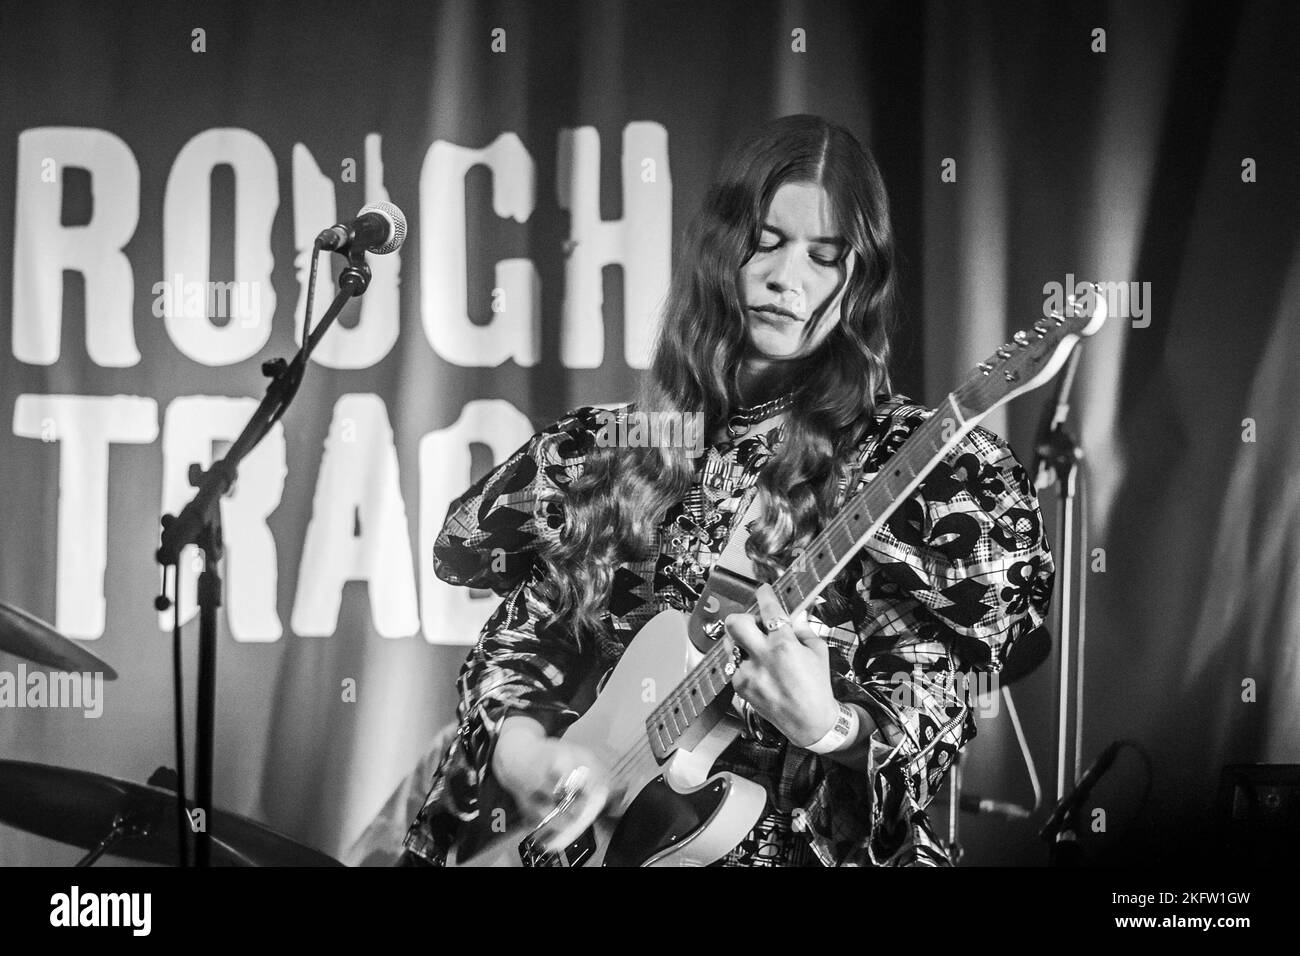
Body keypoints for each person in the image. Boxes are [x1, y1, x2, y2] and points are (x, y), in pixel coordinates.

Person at [400, 114, 1053, 867]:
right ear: (718, 246)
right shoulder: (610, 449)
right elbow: (527, 633)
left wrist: (833, 726)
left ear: (860, 281)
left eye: (825, 256)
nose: (787, 278)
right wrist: (521, 752)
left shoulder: (919, 471)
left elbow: (935, 700)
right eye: (766, 242)